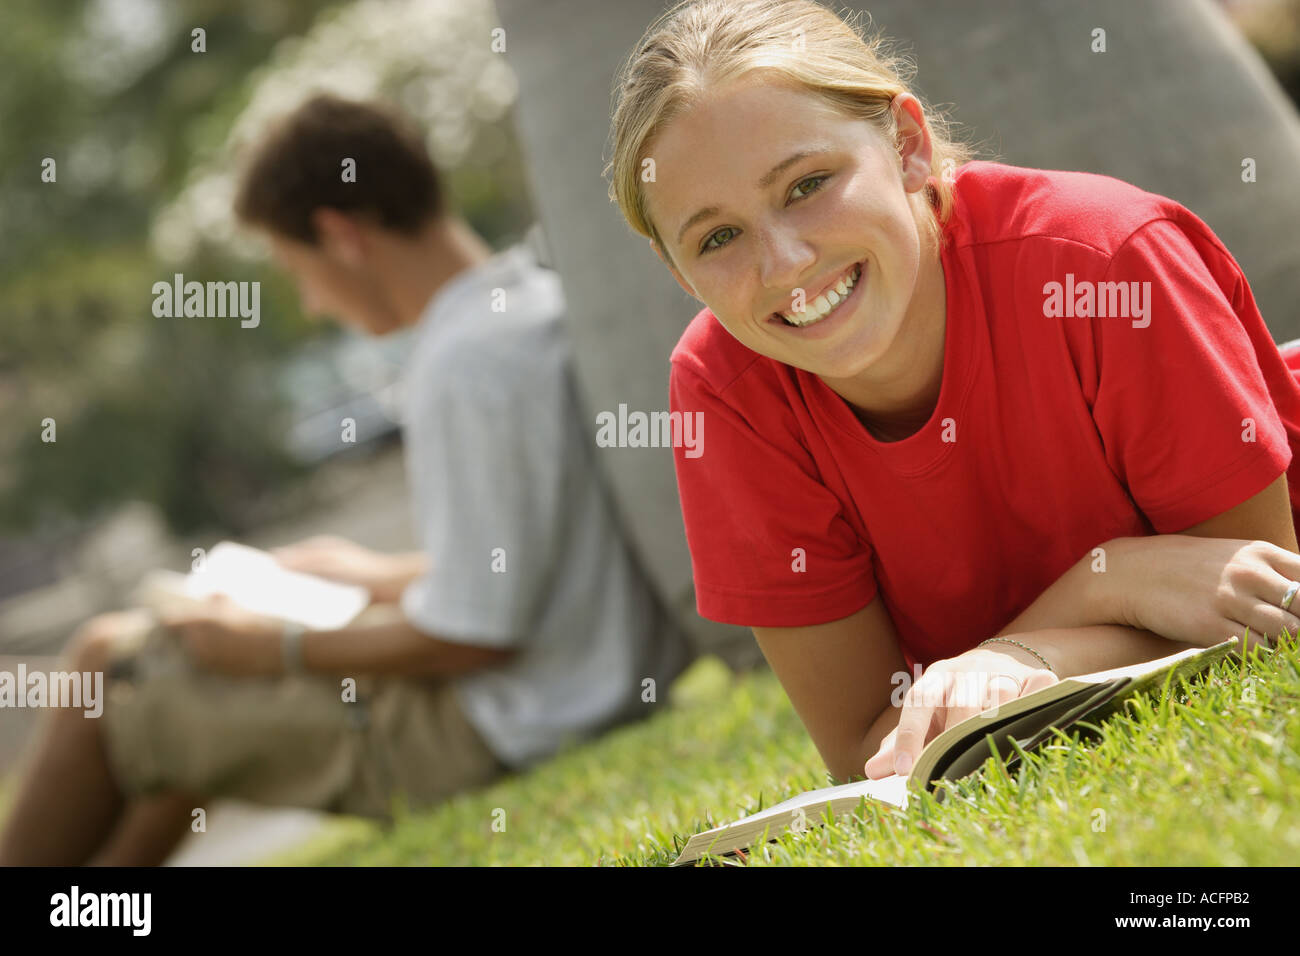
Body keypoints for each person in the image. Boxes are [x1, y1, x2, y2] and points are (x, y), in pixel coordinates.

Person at [603, 0, 1300, 787]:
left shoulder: (1099, 261)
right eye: (718, 238)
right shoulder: (724, 393)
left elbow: (1261, 607)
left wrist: (1018, 656)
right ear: (679, 274)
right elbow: (871, 750)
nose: (786, 262)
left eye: (807, 184)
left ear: (907, 146)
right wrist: (1111, 589)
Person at [0, 94, 689, 865]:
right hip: (574, 694)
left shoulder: (462, 366)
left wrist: (276, 650)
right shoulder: (531, 307)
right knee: (185, 711)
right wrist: (370, 578)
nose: (313, 301)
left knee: (109, 663)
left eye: (301, 271)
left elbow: (476, 638)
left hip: (488, 732)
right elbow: (529, 560)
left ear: (340, 235)